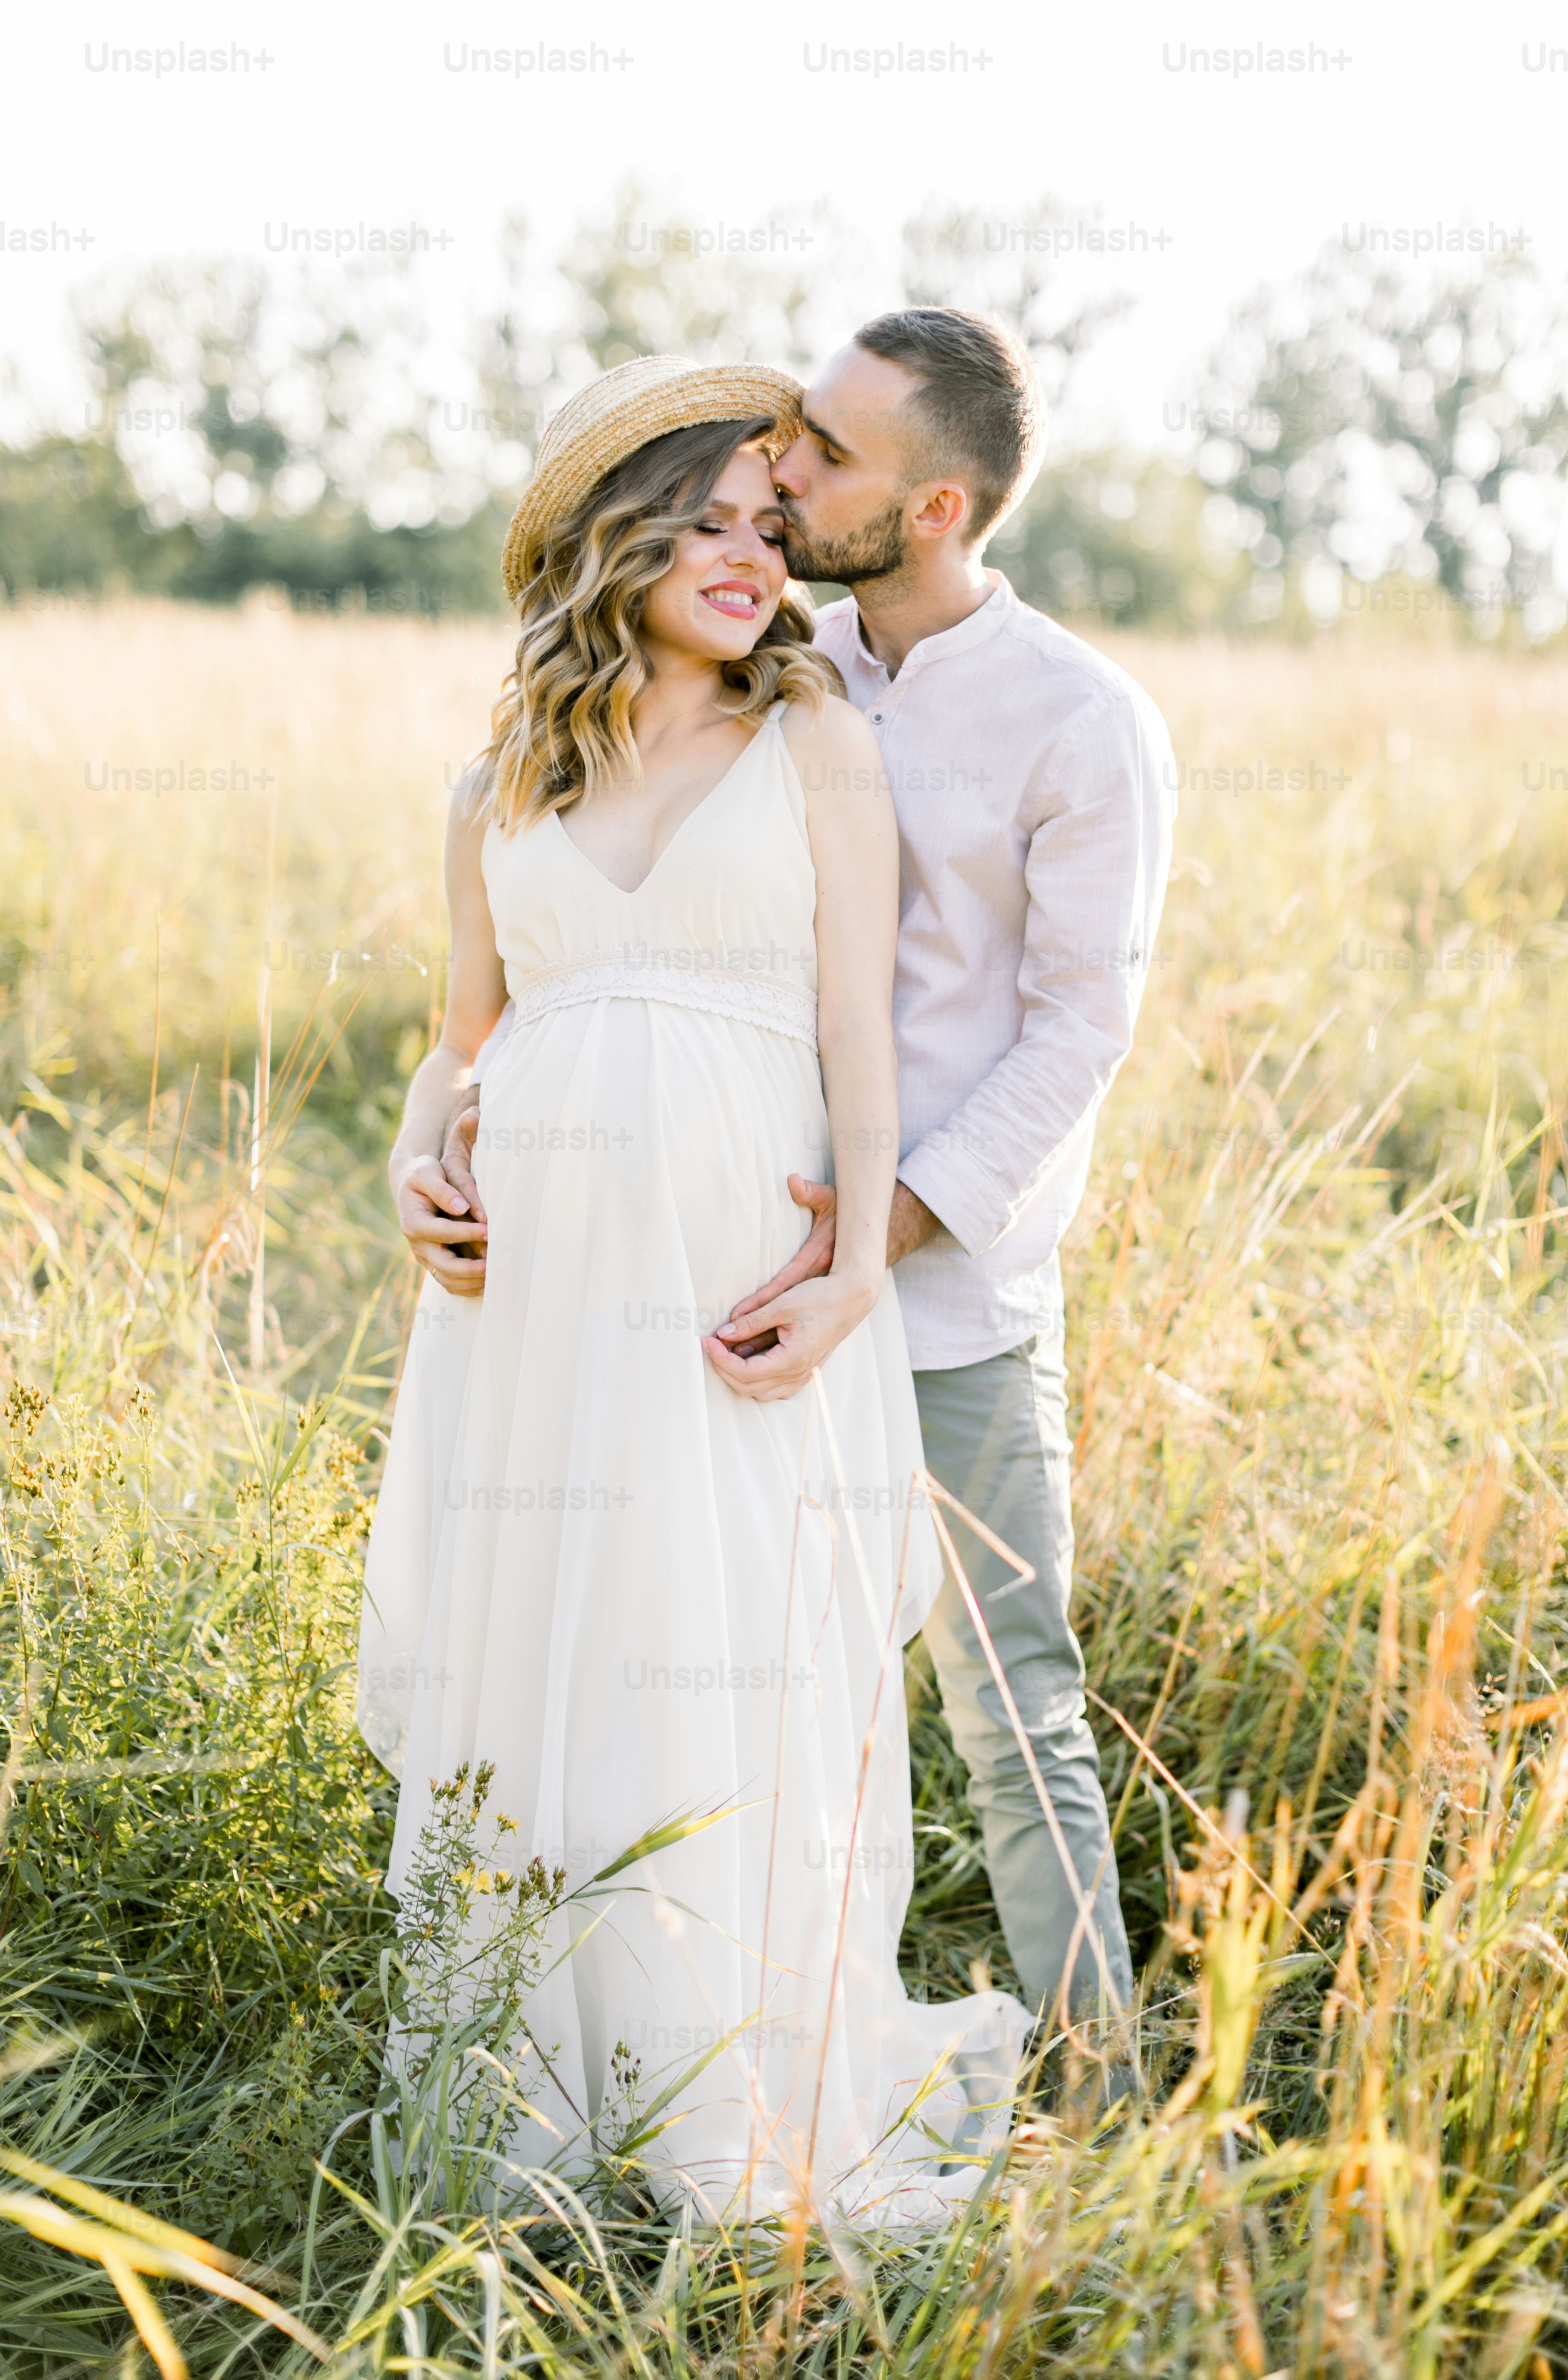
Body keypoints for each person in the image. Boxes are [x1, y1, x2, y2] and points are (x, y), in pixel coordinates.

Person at [438, 312, 1178, 2052]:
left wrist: (878, 1228)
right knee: (745, 1682)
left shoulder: (1085, 719)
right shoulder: (787, 654)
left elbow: (1083, 1027)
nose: (782, 468)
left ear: (929, 504)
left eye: (822, 458)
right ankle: (706, 2032)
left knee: (1012, 1697)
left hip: (942, 1287)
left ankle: (1106, 2080)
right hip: (714, 1284)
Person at [357, 354, 1029, 2231]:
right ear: (610, 535)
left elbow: (859, 1046)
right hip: (535, 1312)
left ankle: (724, 2084)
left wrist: (847, 1284)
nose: (754, 555)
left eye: (770, 523)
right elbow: (460, 1044)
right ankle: (531, 2079)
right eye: (708, 521)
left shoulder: (815, 735)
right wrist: (420, 1159)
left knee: (723, 1646)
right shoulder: (501, 773)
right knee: (546, 1645)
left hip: (739, 1286)